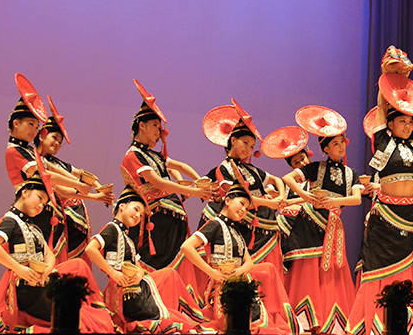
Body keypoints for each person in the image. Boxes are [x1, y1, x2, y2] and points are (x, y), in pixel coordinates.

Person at [347, 55, 413, 335]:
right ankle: (371, 324)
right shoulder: (382, 139)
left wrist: (405, 80)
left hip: (409, 215)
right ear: (390, 124)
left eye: (410, 122)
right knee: (378, 269)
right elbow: (385, 104)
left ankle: (404, 324)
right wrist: (386, 78)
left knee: (408, 273)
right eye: (402, 122)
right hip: (385, 218)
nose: (407, 125)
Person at [0, 168, 114, 333]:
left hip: (39, 285)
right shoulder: (11, 221)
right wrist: (19, 268)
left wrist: (48, 270)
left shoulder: (32, 227)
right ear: (24, 192)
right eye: (39, 198)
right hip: (26, 291)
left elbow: (48, 253)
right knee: (80, 319)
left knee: (79, 269)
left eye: (44, 203)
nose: (40, 206)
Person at [280, 106, 363, 333]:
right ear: (326, 148)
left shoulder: (351, 173)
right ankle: (304, 320)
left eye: (342, 142)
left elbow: (356, 200)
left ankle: (330, 319)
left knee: (333, 270)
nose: (340, 146)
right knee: (308, 267)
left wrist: (330, 203)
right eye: (335, 143)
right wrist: (305, 195)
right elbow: (287, 177)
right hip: (309, 221)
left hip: (333, 223)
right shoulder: (315, 167)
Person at [83, 186, 205, 333]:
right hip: (122, 292)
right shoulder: (112, 228)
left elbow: (138, 267)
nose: (138, 216)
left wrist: (139, 275)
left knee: (169, 275)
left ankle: (178, 316)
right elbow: (90, 249)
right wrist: (113, 273)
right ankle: (186, 318)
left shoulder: (127, 237)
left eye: (141, 215)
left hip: (133, 286)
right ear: (121, 206)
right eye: (135, 209)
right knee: (169, 276)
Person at [180, 183, 298, 333]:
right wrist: (212, 272)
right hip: (222, 287)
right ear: (228, 200)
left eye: (246, 208)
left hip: (240, 284)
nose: (243, 210)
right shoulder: (215, 224)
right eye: (241, 203)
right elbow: (186, 247)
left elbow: (249, 262)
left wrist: (239, 271)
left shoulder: (236, 231)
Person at [121, 79, 211, 275]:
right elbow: (159, 182)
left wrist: (200, 180)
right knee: (155, 265)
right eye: (155, 125)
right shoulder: (133, 155)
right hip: (155, 220)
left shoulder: (155, 156)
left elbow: (179, 166)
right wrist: (193, 190)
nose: (159, 132)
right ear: (142, 126)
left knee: (174, 267)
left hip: (171, 218)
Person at [6, 74, 93, 254]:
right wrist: (78, 184)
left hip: (48, 214)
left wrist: (88, 190)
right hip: (32, 215)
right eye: (31, 124)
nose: (34, 131)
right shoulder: (14, 151)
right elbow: (46, 176)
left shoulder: (31, 152)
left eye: (36, 127)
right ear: (16, 123)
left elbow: (53, 171)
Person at [199, 101, 286, 272]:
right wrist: (268, 202)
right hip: (243, 225)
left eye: (252, 146)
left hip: (265, 224)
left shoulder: (252, 169)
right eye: (245, 143)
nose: (248, 148)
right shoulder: (224, 168)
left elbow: (277, 180)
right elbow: (236, 198)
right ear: (233, 140)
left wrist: (281, 196)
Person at [35, 95, 114, 261]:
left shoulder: (57, 163)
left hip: (69, 220)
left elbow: (83, 175)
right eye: (54, 137)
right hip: (49, 216)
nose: (57, 143)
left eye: (60, 141)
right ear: (41, 135)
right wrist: (94, 196)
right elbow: (62, 191)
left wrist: (99, 187)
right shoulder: (36, 161)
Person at [259, 126, 313, 270]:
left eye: (303, 159)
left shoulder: (317, 178)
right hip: (287, 227)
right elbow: (269, 190)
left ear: (309, 157)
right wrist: (273, 196)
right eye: (296, 163)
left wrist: (289, 202)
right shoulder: (287, 183)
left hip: (310, 226)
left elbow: (312, 198)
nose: (301, 164)